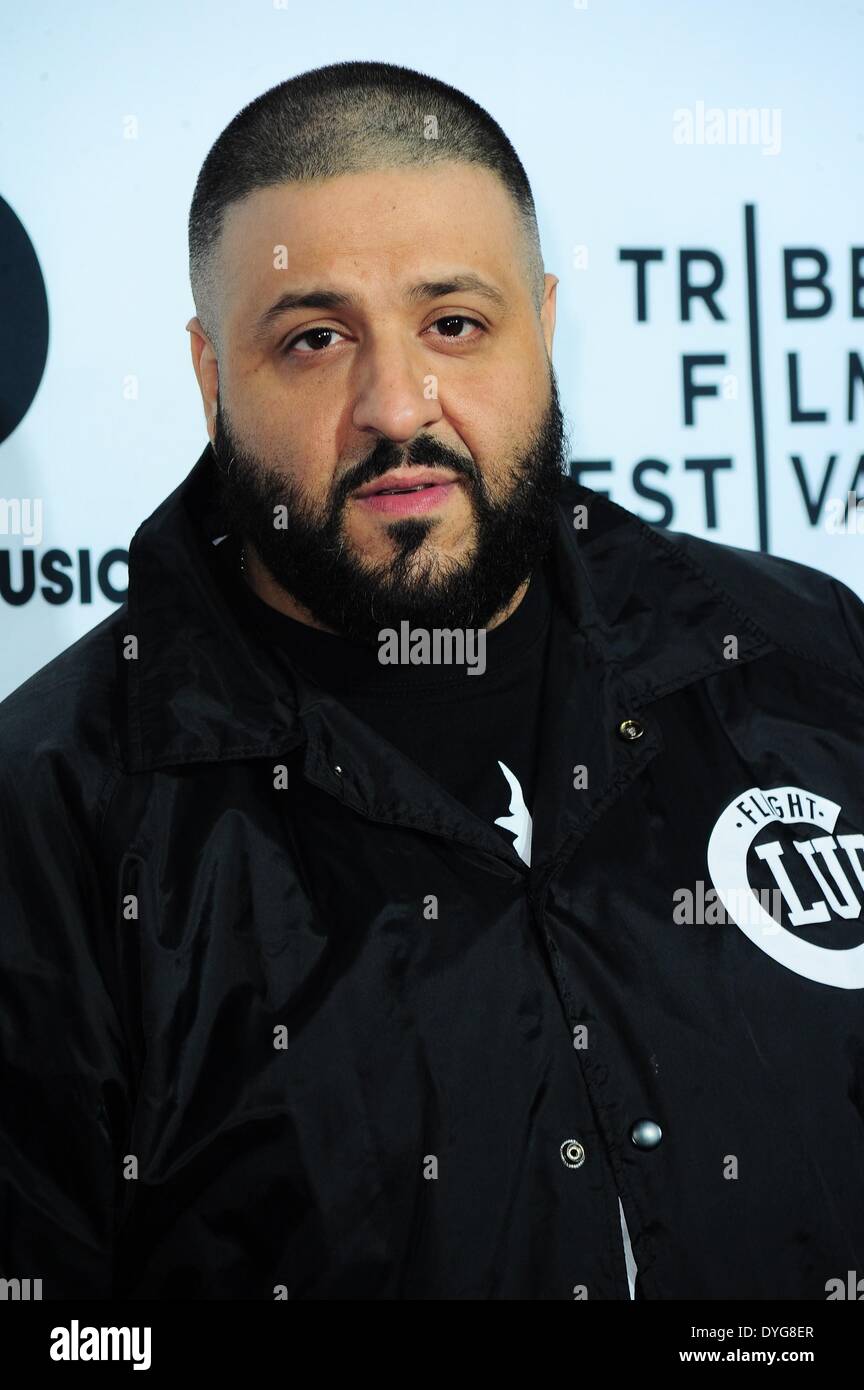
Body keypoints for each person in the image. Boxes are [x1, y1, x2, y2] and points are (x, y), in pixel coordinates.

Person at [2, 59, 864, 1301]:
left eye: (454, 323)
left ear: (547, 326)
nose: (397, 405)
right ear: (207, 378)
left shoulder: (801, 653)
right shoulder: (54, 817)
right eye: (314, 338)